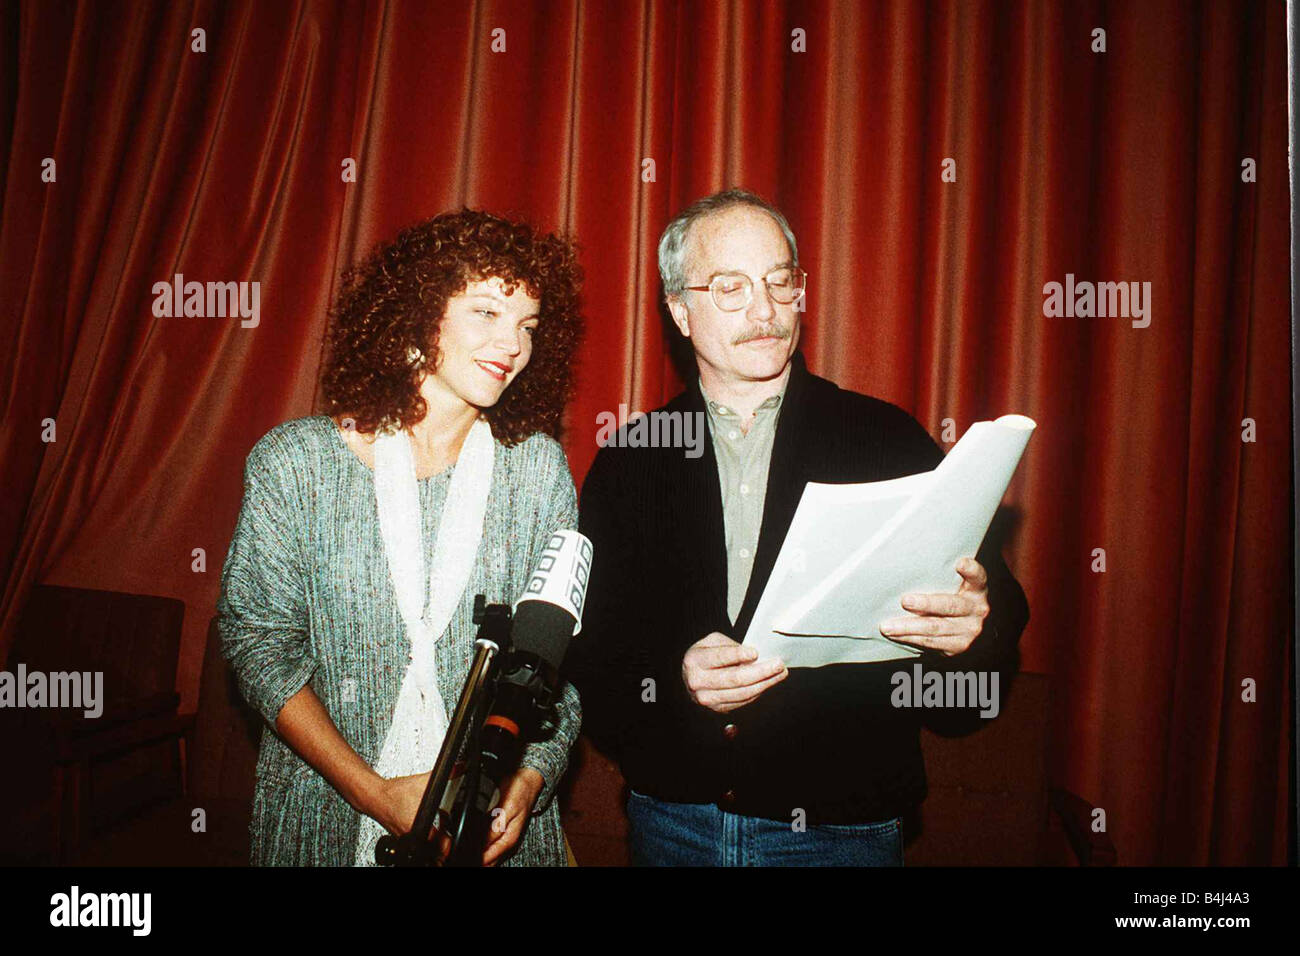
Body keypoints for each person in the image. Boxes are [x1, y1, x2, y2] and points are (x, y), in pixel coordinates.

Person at [566, 189, 1029, 866]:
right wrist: (673, 679)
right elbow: (589, 654)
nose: (765, 309)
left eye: (781, 280)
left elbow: (990, 639)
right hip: (672, 821)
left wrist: (970, 630)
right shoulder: (631, 458)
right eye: (730, 287)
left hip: (844, 831)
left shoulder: (885, 439)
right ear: (679, 312)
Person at [218, 208, 584, 866]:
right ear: (417, 312)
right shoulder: (294, 465)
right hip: (324, 820)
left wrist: (528, 781)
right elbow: (259, 649)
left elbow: (556, 666)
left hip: (492, 834)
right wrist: (373, 792)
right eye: (486, 313)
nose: (514, 344)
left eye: (528, 325)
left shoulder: (537, 469)